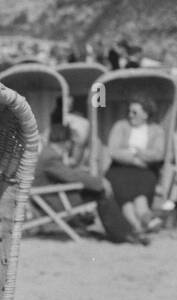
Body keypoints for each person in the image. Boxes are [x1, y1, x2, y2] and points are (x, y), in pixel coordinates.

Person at [35, 123, 145, 245]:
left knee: (98, 190)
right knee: (101, 192)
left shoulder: (47, 153)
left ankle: (122, 232)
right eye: (72, 142)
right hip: (54, 202)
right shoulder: (51, 157)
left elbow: (68, 174)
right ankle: (123, 235)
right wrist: (100, 182)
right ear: (66, 142)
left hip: (49, 198)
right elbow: (72, 176)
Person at [105, 96, 166, 237]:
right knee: (125, 191)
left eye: (134, 112)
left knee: (140, 195)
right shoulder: (120, 126)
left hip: (145, 170)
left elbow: (158, 154)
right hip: (119, 168)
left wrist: (136, 151)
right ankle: (141, 224)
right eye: (129, 112)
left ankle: (142, 221)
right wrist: (134, 159)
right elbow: (114, 151)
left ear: (145, 114)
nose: (130, 115)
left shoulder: (156, 130)